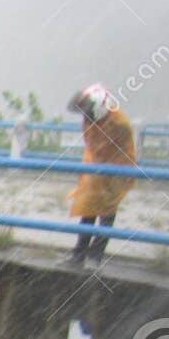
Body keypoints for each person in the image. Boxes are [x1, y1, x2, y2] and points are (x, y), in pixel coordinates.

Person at [65, 84, 136, 263]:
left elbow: (112, 149)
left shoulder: (119, 123)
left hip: (117, 167)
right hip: (95, 165)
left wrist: (103, 169)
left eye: (88, 112)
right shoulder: (89, 120)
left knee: (107, 209)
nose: (85, 116)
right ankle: (79, 253)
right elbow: (92, 145)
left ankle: (96, 255)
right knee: (88, 207)